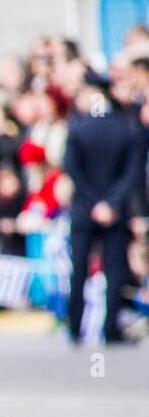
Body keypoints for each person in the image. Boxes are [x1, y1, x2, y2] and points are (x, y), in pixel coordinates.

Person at [63, 72, 142, 344]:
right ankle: (111, 328)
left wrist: (95, 202)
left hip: (85, 208)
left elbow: (73, 170)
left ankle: (75, 325)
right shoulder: (126, 128)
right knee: (114, 268)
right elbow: (131, 174)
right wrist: (110, 202)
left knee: (80, 267)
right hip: (114, 210)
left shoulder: (78, 128)